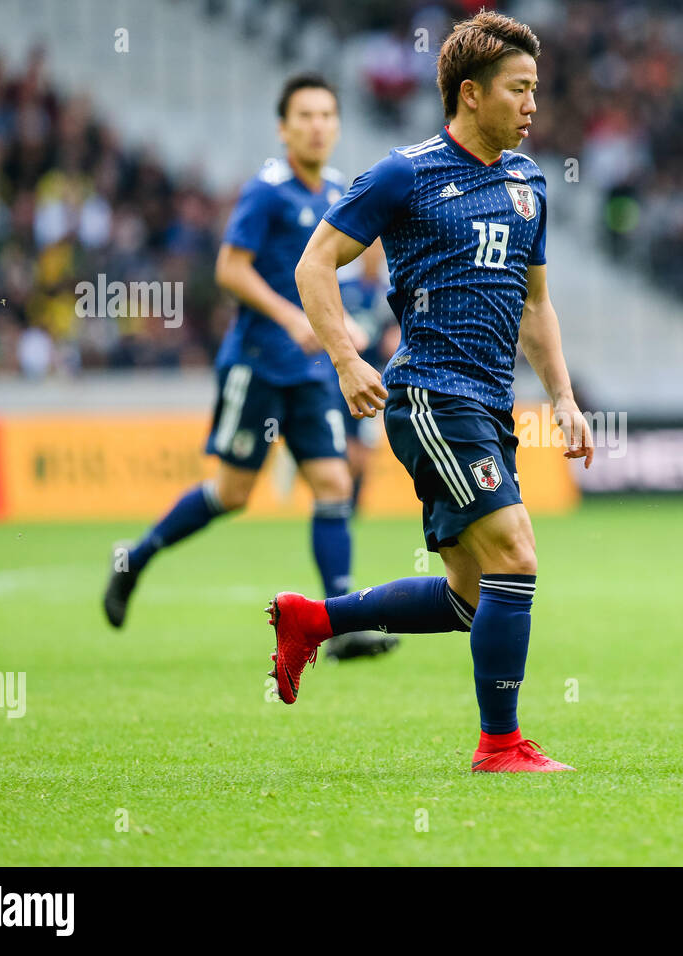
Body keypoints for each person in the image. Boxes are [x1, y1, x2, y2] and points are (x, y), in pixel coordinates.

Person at [264, 12, 595, 772]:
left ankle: (313, 619)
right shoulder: (404, 173)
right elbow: (315, 265)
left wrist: (565, 398)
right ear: (470, 94)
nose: (533, 104)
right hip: (431, 399)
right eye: (520, 89)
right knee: (517, 555)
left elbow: (536, 304)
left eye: (537, 89)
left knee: (471, 597)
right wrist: (348, 361)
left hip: (489, 406)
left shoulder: (529, 182)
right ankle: (500, 745)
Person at [104, 74, 395, 659]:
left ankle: (336, 626)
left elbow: (369, 262)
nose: (317, 126)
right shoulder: (266, 192)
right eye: (305, 116)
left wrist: (363, 311)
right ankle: (136, 557)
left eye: (326, 115)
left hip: (313, 370)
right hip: (259, 364)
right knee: (234, 493)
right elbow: (231, 269)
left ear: (337, 126)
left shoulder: (342, 191)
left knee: (335, 483)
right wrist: (293, 318)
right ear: (284, 128)